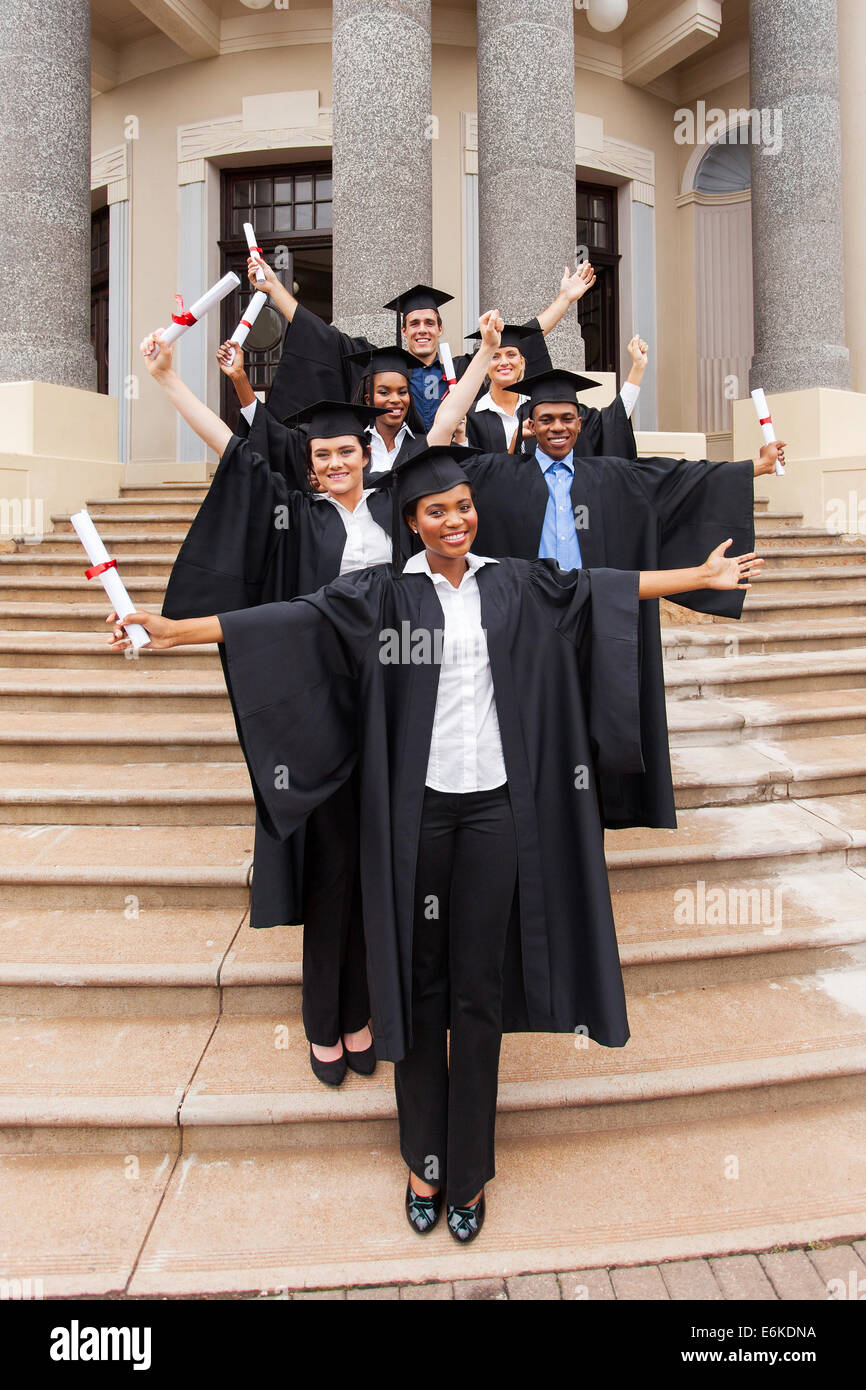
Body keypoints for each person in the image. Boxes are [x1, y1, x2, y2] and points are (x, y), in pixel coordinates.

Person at [104, 440, 763, 1242]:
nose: (456, 519)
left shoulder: (518, 581)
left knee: (476, 989)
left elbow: (608, 587)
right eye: (437, 511)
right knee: (414, 993)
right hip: (414, 818)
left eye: (463, 506)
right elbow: (287, 621)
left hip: (493, 815)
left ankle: (469, 1168)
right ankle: (424, 1159)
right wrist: (173, 632)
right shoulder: (378, 597)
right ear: (411, 523)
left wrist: (698, 579)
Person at [420, 361, 788, 831]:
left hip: (595, 614)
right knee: (528, 712)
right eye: (547, 419)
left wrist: (756, 465)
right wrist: (483, 359)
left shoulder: (613, 475)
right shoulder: (495, 473)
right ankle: (523, 808)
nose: (558, 428)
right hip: (525, 621)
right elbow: (433, 451)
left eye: (568, 418)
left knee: (596, 709)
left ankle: (594, 810)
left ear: (580, 422)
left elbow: (683, 479)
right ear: (529, 426)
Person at [251, 252, 596, 426]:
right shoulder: (381, 368)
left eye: (429, 322)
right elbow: (322, 337)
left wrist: (565, 300)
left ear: (439, 328)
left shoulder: (463, 370)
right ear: (404, 331)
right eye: (414, 323)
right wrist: (274, 288)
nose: (422, 329)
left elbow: (524, 337)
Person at [464, 328, 650, 459]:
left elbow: (611, 422)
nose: (504, 362)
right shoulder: (473, 417)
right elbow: (477, 472)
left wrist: (637, 369)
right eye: (494, 356)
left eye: (511, 354)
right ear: (485, 365)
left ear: (522, 362)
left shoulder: (544, 406)